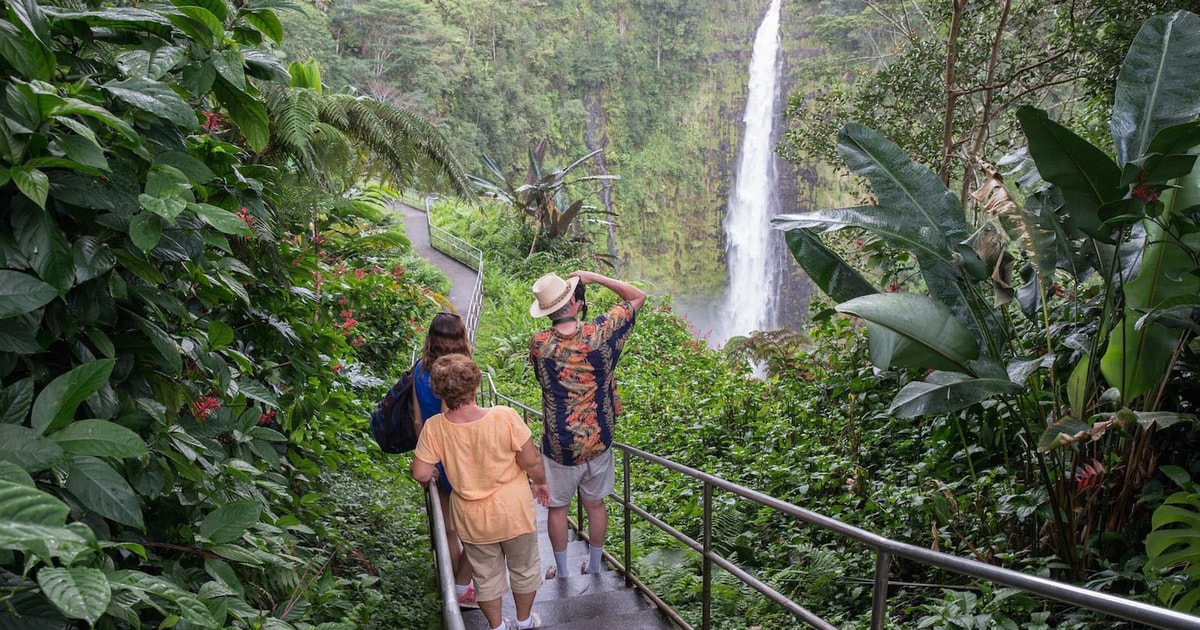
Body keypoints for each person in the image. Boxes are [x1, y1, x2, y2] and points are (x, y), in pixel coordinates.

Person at [412, 354, 551, 630]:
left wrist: (436, 471)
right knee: (523, 569)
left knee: (486, 577)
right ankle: (524, 622)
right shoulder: (505, 417)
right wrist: (541, 482)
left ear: (439, 391)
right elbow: (531, 460)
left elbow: (420, 473)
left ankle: (497, 626)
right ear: (475, 384)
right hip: (514, 511)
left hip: (473, 518)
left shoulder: (435, 428)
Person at [528, 270, 646, 579]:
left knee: (557, 509)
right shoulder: (600, 332)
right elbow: (637, 296)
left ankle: (564, 572)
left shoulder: (540, 344)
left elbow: (544, 381)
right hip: (598, 439)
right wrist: (594, 277)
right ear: (576, 304)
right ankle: (594, 566)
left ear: (548, 310)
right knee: (595, 505)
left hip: (559, 445)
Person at [413, 312, 476, 606]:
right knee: (478, 531)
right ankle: (462, 588)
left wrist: (430, 458)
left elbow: (417, 422)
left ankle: (457, 586)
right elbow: (451, 418)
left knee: (450, 530)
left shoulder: (418, 370)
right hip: (460, 460)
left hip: (434, 458)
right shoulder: (456, 372)